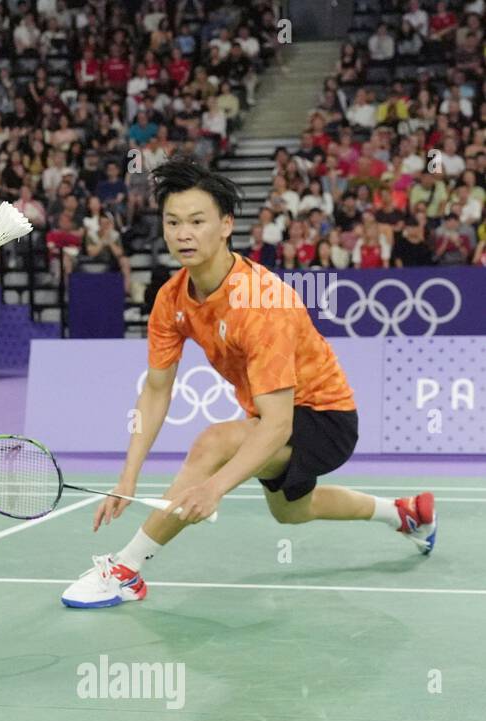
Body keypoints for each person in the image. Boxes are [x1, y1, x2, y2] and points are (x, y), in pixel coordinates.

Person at [60, 158, 437, 609]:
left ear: (225, 225)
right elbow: (157, 390)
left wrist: (214, 488)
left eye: (197, 222)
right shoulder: (171, 297)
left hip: (325, 416)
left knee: (215, 442)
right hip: (276, 414)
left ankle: (126, 570)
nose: (184, 234)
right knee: (291, 512)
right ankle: (405, 514)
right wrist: (128, 476)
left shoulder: (262, 302)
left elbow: (277, 425)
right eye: (173, 222)